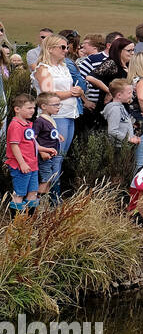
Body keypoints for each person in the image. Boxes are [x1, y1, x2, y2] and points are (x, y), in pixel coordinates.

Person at [33, 33, 83, 199]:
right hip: (54, 117)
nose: (66, 50)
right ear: (50, 48)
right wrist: (70, 92)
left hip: (69, 113)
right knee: (54, 158)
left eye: (67, 47)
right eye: (62, 47)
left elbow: (70, 88)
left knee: (60, 157)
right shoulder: (43, 68)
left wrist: (79, 91)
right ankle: (51, 198)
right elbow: (48, 93)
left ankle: (54, 196)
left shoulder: (64, 67)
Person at [5, 93, 39, 217]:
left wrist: (45, 149)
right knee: (19, 193)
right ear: (17, 109)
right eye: (29, 108)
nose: (33, 111)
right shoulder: (15, 125)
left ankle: (28, 222)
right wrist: (22, 163)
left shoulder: (28, 124)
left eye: (34, 108)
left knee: (33, 192)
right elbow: (14, 146)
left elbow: (32, 143)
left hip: (32, 165)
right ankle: (16, 223)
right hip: (21, 166)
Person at [102, 79, 140, 148]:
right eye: (129, 93)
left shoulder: (121, 107)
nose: (131, 95)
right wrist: (129, 139)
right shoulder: (115, 109)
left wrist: (133, 136)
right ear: (119, 95)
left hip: (122, 146)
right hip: (117, 147)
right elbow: (112, 131)